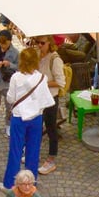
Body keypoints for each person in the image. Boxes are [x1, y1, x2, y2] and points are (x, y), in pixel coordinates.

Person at [2, 46, 55, 189]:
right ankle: (31, 183)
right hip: (36, 117)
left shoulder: (16, 77)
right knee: (33, 150)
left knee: (16, 150)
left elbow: (11, 98)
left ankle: (9, 183)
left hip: (19, 117)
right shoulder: (41, 77)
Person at [33, 37, 65, 175]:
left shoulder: (55, 60)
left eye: (42, 43)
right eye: (37, 42)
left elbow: (60, 82)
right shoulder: (38, 55)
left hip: (50, 98)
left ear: (49, 43)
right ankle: (35, 153)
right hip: (38, 98)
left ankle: (51, 159)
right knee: (36, 126)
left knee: (51, 128)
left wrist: (42, 82)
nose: (39, 45)